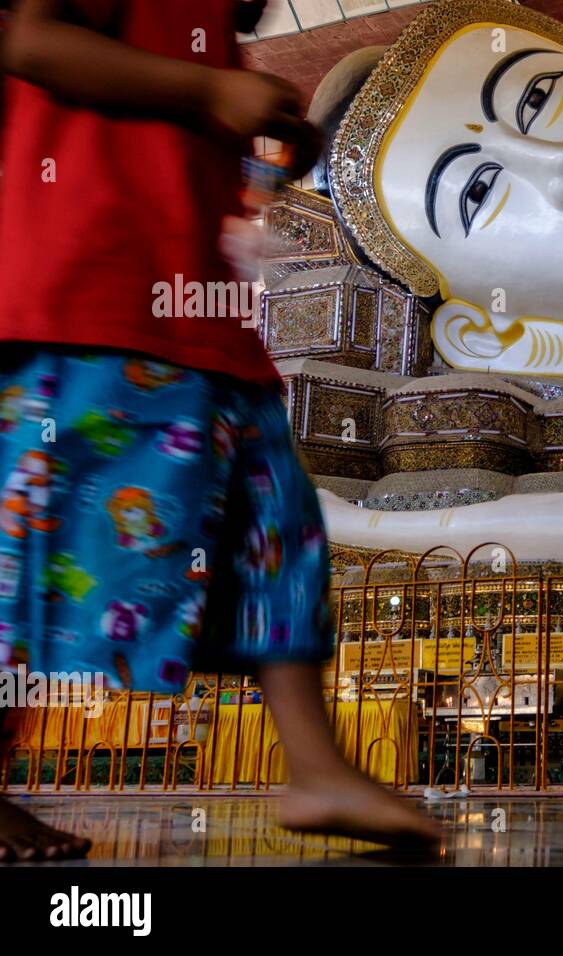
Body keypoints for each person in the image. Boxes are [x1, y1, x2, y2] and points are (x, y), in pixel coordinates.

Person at [0, 0, 441, 861]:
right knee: (33, 555)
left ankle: (315, 767)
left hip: (207, 330)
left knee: (280, 531)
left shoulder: (207, 31)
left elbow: (184, 142)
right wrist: (211, 91)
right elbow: (33, 39)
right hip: (87, 306)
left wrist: (262, 135)